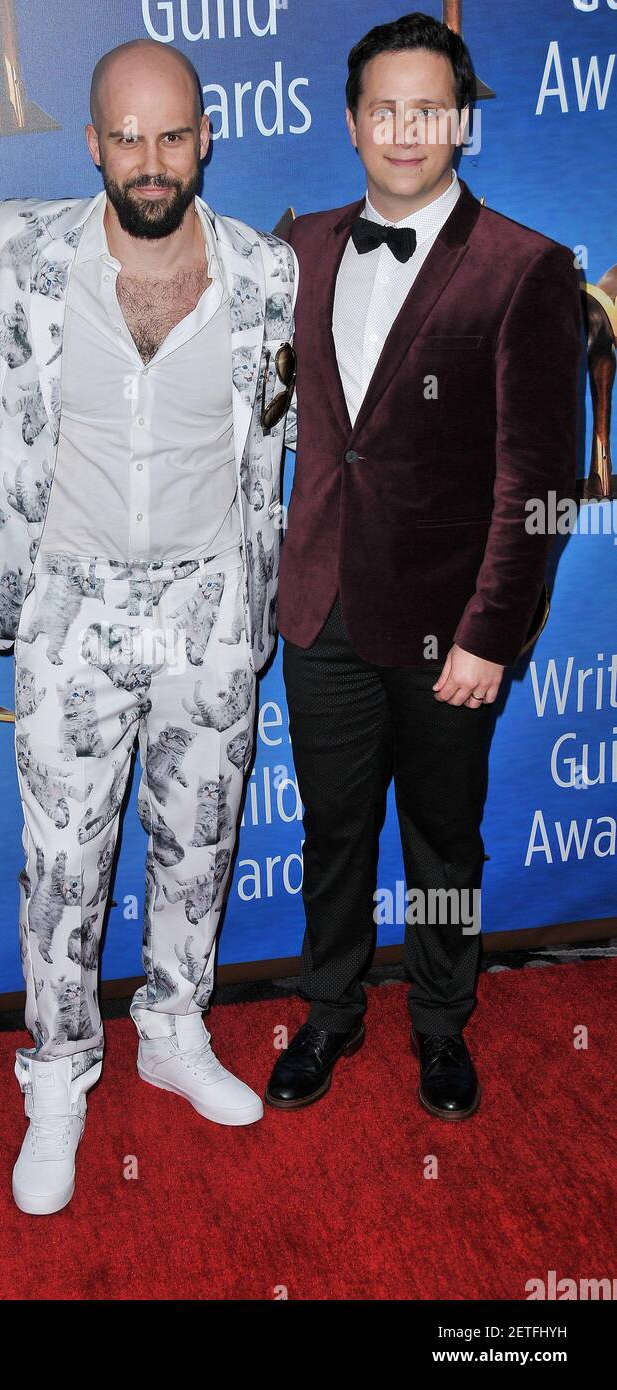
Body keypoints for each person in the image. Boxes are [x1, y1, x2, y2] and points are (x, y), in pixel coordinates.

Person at [0, 39, 298, 1214]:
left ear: (206, 137)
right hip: (71, 598)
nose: (150, 162)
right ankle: (56, 1075)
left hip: (211, 596)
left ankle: (171, 1028)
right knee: (62, 867)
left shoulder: (267, 274)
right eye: (126, 136)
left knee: (197, 845)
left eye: (172, 136)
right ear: (92, 142)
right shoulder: (18, 251)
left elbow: (273, 444)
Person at [267, 13, 582, 1121]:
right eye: (382, 108)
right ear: (351, 120)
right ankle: (328, 1011)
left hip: (452, 623)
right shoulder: (296, 246)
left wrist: (493, 633)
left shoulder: (525, 268)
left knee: (442, 836)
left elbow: (537, 478)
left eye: (429, 108)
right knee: (332, 827)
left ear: (462, 122)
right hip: (318, 609)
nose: (404, 130)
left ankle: (441, 1024)